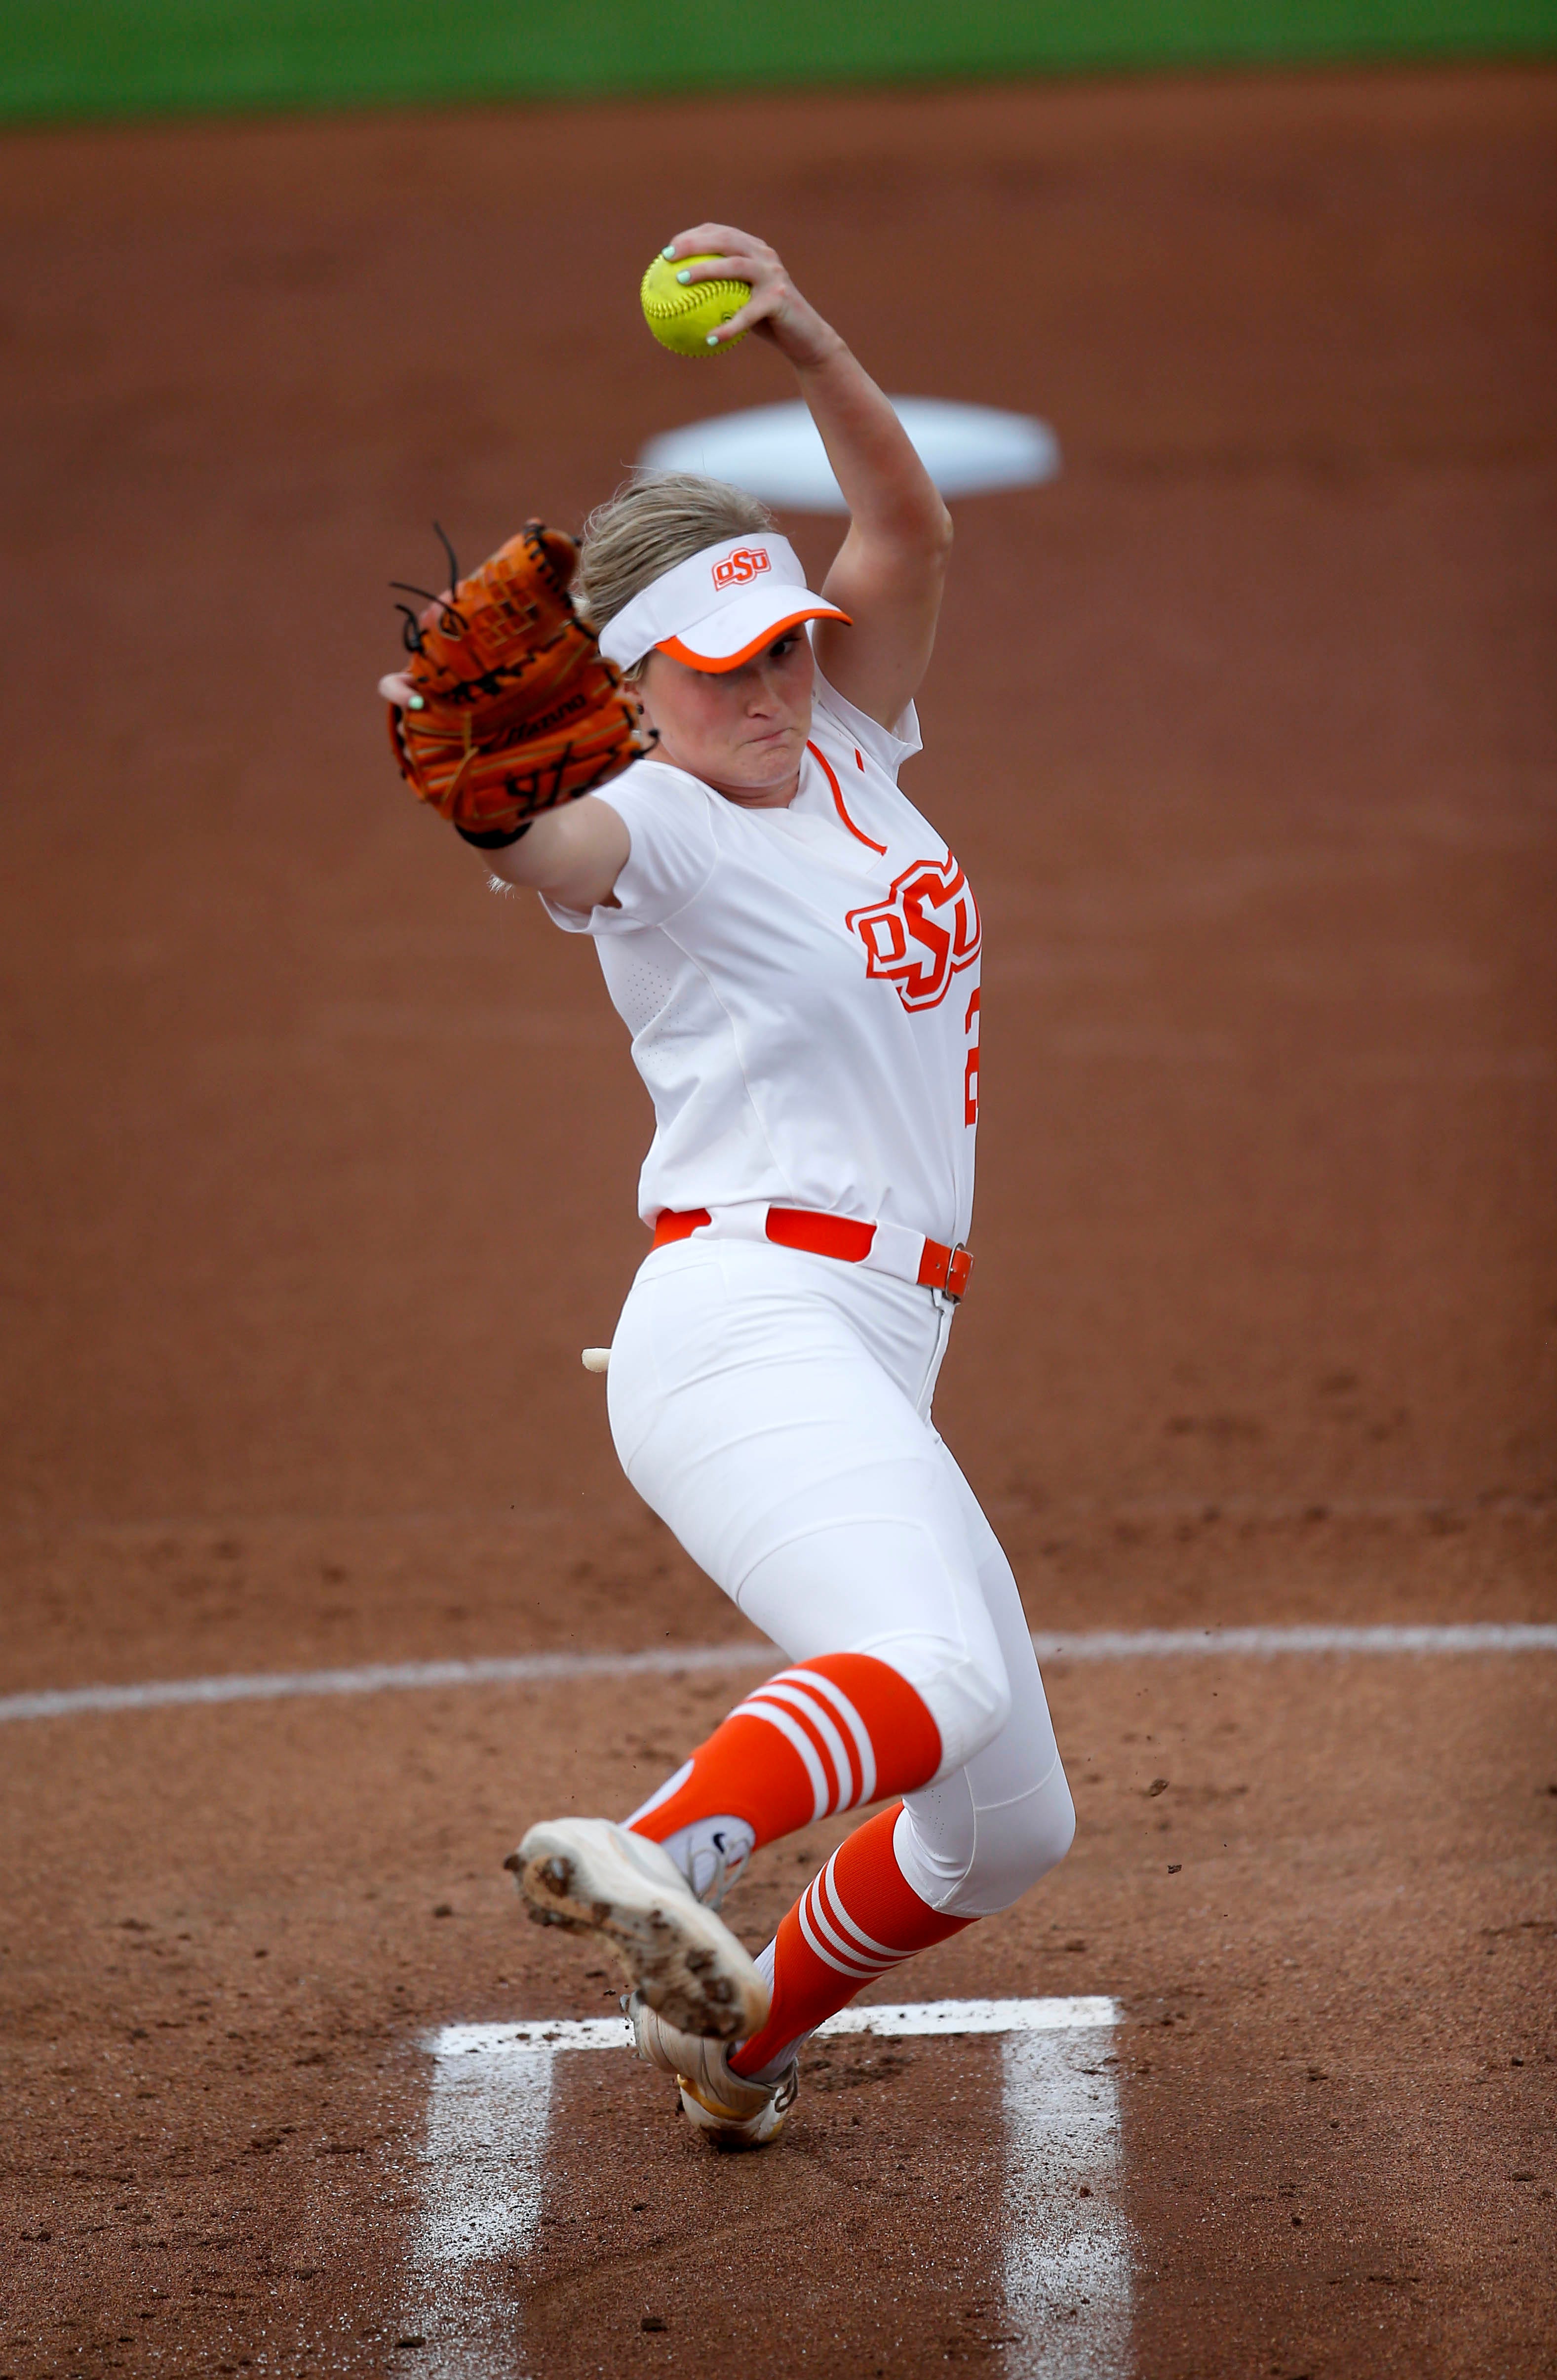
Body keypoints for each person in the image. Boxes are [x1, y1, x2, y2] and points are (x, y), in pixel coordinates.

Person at [417, 224, 1076, 2146]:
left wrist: (811, 341)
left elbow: (910, 530)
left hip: (874, 1340)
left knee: (1006, 1821)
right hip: (745, 1322)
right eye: (720, 666)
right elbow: (556, 850)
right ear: (631, 696)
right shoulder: (660, 829)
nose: (773, 684)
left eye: (781, 639)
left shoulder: (849, 734)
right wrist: (502, 808)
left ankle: (738, 2034)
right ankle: (656, 1848)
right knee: (933, 1669)